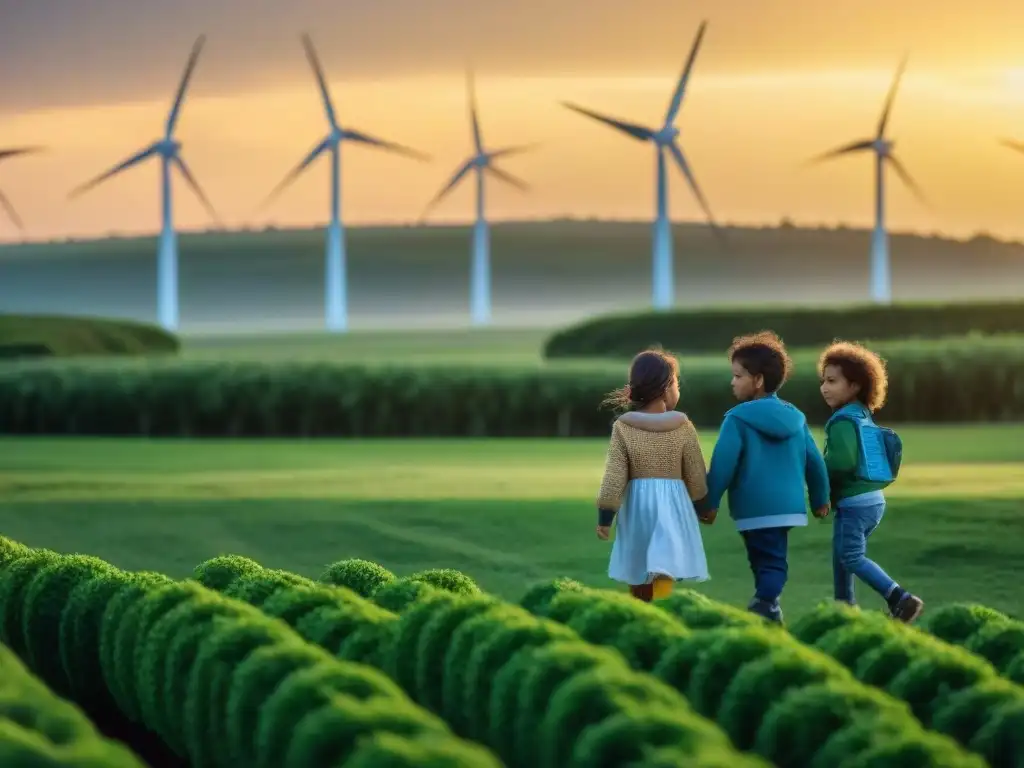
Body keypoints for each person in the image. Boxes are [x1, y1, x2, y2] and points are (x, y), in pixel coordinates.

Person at [624, 331, 829, 622]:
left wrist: (708, 503)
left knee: (764, 560)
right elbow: (814, 461)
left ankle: (766, 602)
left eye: (738, 376)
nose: (732, 382)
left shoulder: (737, 419)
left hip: (752, 507)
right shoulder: (796, 417)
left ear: (757, 380)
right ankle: (769, 607)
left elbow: (723, 465)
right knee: (771, 559)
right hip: (788, 506)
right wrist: (820, 498)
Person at [819, 341, 924, 623]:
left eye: (832, 381)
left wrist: (816, 472)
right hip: (872, 501)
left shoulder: (841, 420)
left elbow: (841, 462)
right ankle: (844, 607)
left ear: (855, 386)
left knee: (851, 557)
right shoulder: (863, 416)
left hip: (854, 503)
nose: (824, 387)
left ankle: (900, 599)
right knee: (842, 556)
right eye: (823, 381)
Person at [596, 349, 711, 602]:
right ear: (667, 386)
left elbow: (614, 476)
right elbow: (695, 473)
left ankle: (642, 606)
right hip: (673, 504)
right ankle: (660, 605)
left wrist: (606, 516)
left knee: (638, 564)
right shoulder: (682, 426)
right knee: (666, 562)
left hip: (638, 506)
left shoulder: (623, 427)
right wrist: (704, 507)